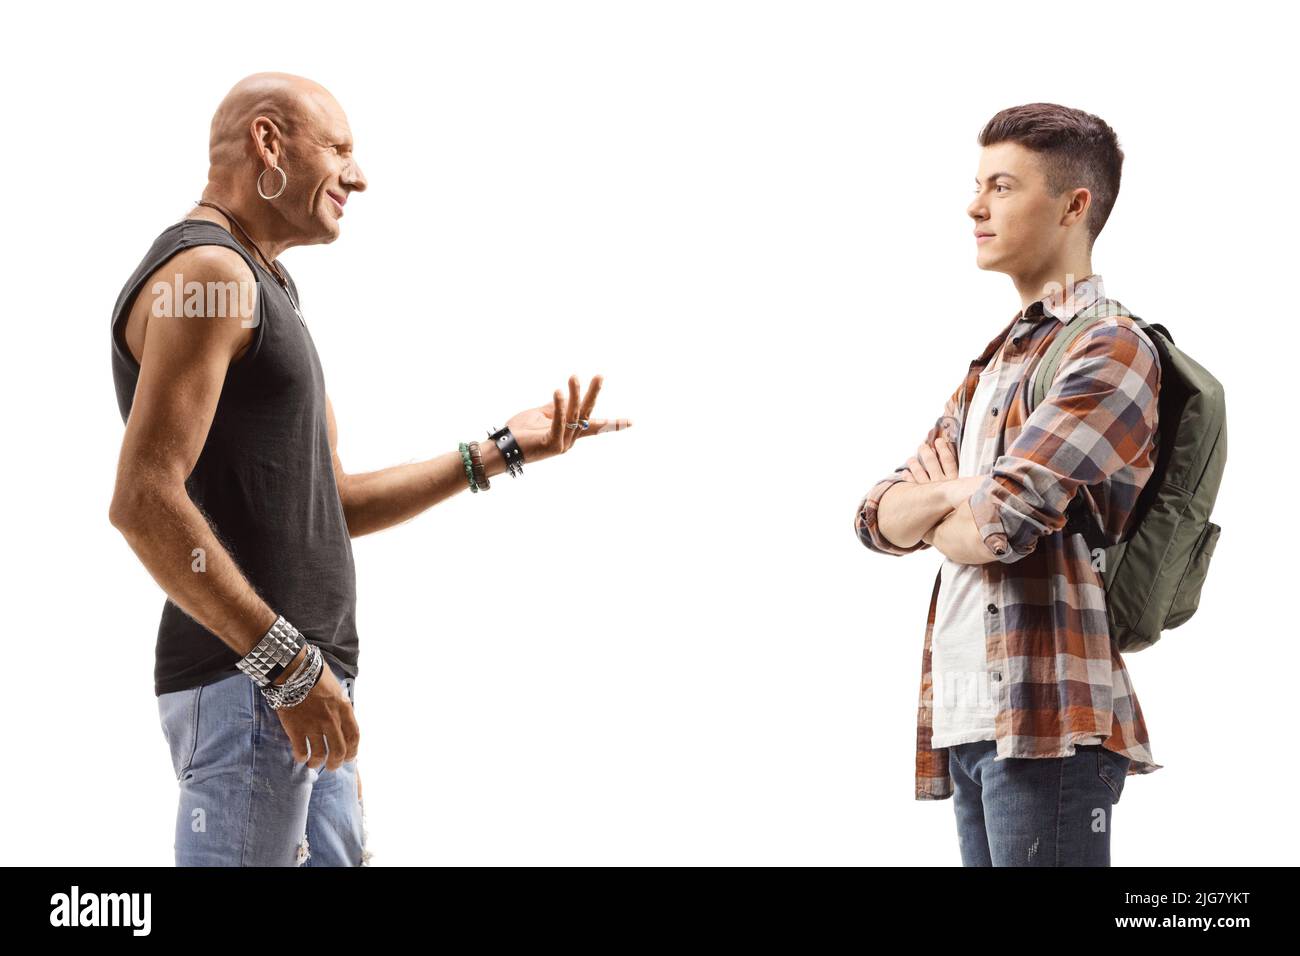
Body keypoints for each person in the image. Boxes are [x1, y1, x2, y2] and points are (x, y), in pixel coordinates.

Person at [108, 72, 632, 866]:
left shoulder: (264, 283)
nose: (358, 176)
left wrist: (501, 450)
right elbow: (144, 503)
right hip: (256, 682)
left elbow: (331, 503)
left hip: (299, 682)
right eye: (341, 149)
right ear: (268, 142)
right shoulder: (209, 277)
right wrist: (284, 667)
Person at [854, 103, 1162, 866]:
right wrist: (955, 496)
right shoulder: (995, 363)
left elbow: (1002, 525)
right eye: (977, 184)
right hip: (967, 717)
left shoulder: (1112, 348)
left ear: (1072, 205)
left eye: (1001, 185)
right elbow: (873, 517)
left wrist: (957, 498)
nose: (974, 205)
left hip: (1048, 720)